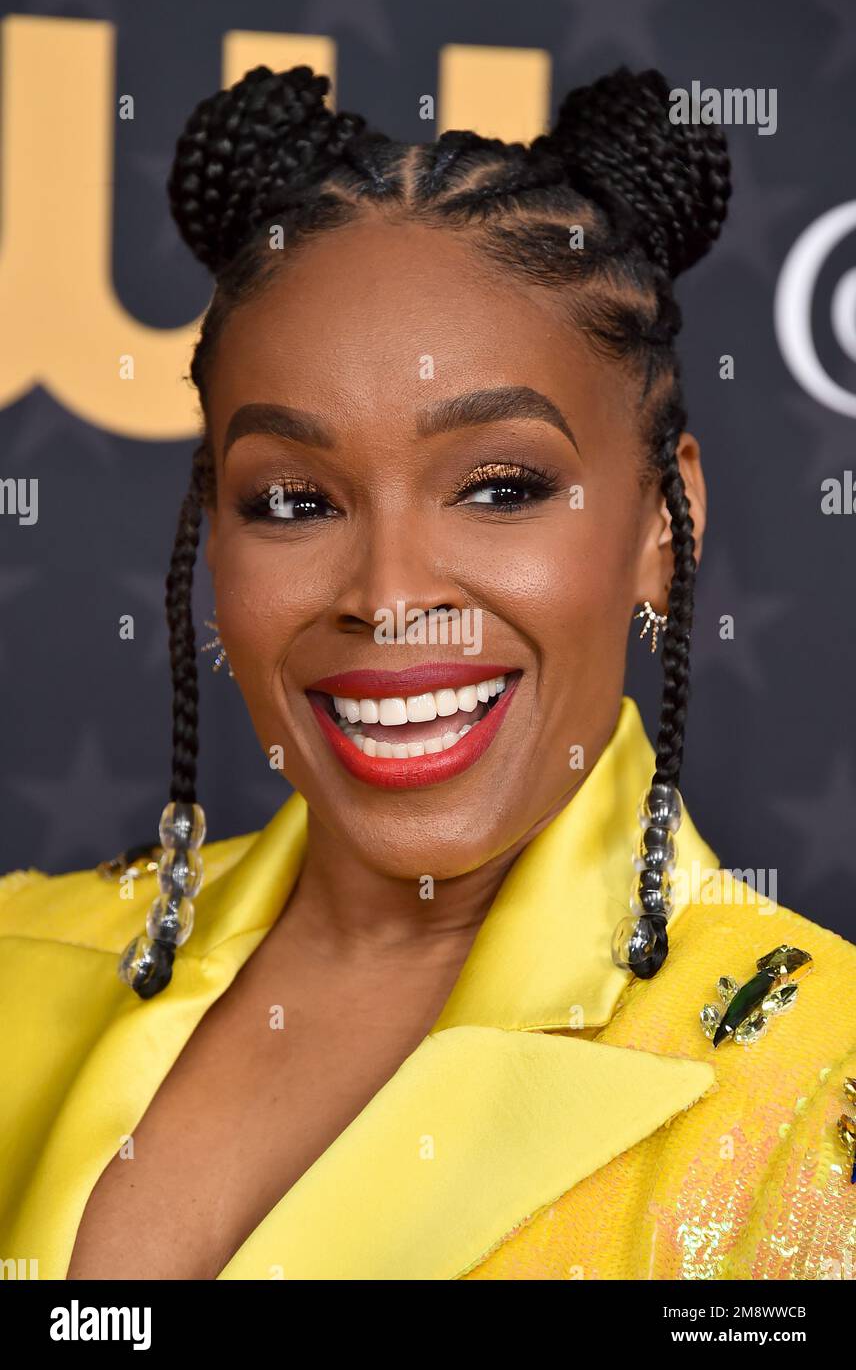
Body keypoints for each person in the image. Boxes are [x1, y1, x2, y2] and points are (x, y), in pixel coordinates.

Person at [1, 64, 854, 1282]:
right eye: (293, 500)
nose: (390, 599)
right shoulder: (19, 950)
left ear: (666, 524)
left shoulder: (814, 1085)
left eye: (500, 488)